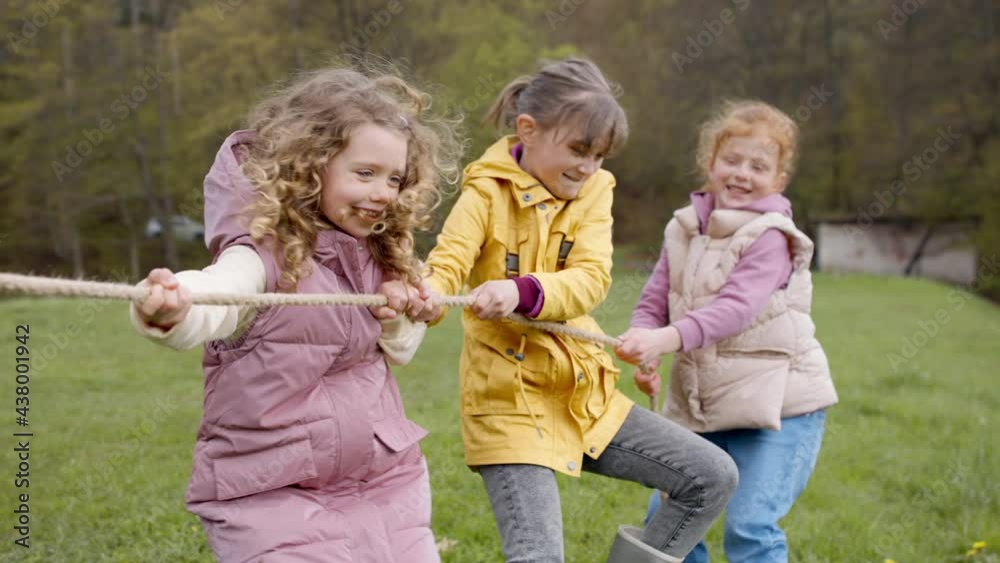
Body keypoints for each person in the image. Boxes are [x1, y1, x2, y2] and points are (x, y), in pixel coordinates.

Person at [129, 64, 462, 562]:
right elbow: (219, 295)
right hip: (272, 493)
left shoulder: (379, 257)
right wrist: (173, 306)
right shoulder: (261, 257)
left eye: (395, 178)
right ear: (310, 168)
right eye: (365, 173)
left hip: (383, 483)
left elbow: (402, 350)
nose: (382, 193)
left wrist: (403, 313)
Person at [421, 57, 738, 563]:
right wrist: (425, 297)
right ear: (529, 130)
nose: (588, 167)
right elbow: (446, 266)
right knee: (539, 556)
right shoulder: (483, 192)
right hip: (510, 406)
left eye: (600, 156)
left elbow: (591, 279)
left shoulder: (595, 191)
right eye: (578, 150)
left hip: (582, 395)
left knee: (711, 476)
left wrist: (521, 291)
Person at [615, 100, 839, 563]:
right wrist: (646, 344)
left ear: (778, 181)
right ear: (710, 164)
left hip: (782, 409)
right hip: (706, 407)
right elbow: (655, 300)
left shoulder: (773, 236)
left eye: (758, 166)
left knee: (750, 526)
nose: (742, 173)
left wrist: (665, 339)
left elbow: (734, 310)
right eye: (732, 160)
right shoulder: (682, 229)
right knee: (673, 514)